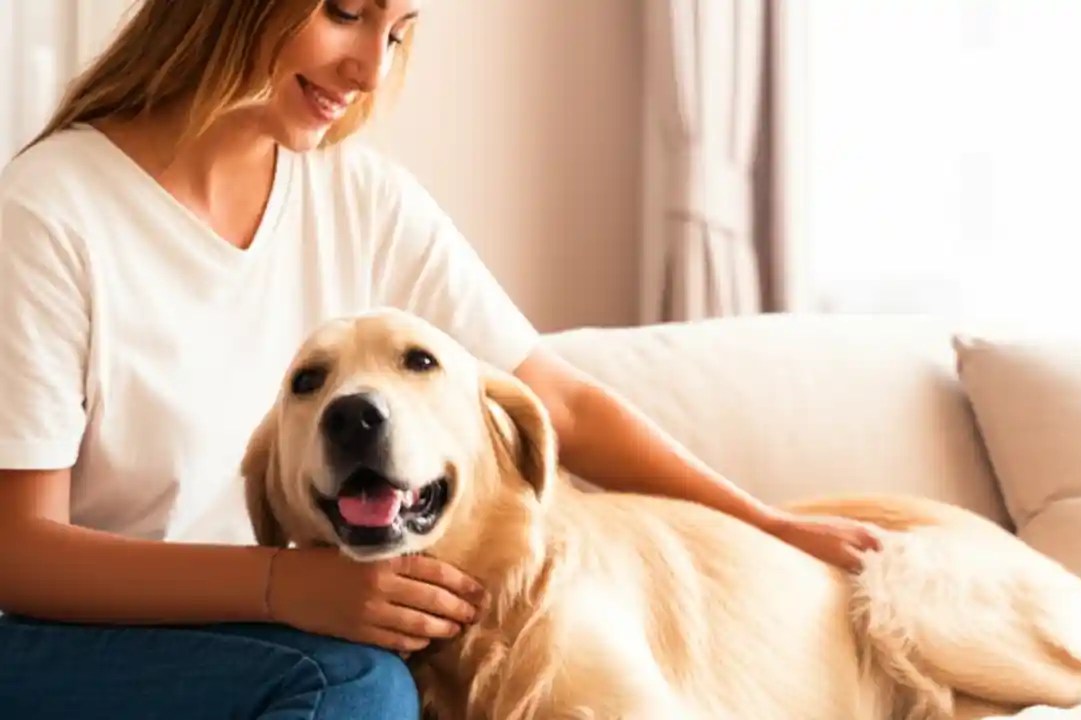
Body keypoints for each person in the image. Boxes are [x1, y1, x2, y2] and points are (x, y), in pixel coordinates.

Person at [0, 1, 882, 717]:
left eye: (396, 32)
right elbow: (18, 554)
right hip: (62, 633)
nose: (371, 71)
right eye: (346, 14)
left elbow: (557, 404)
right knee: (353, 685)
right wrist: (277, 584)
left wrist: (769, 524)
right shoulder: (49, 215)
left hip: (265, 617)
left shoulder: (361, 195)